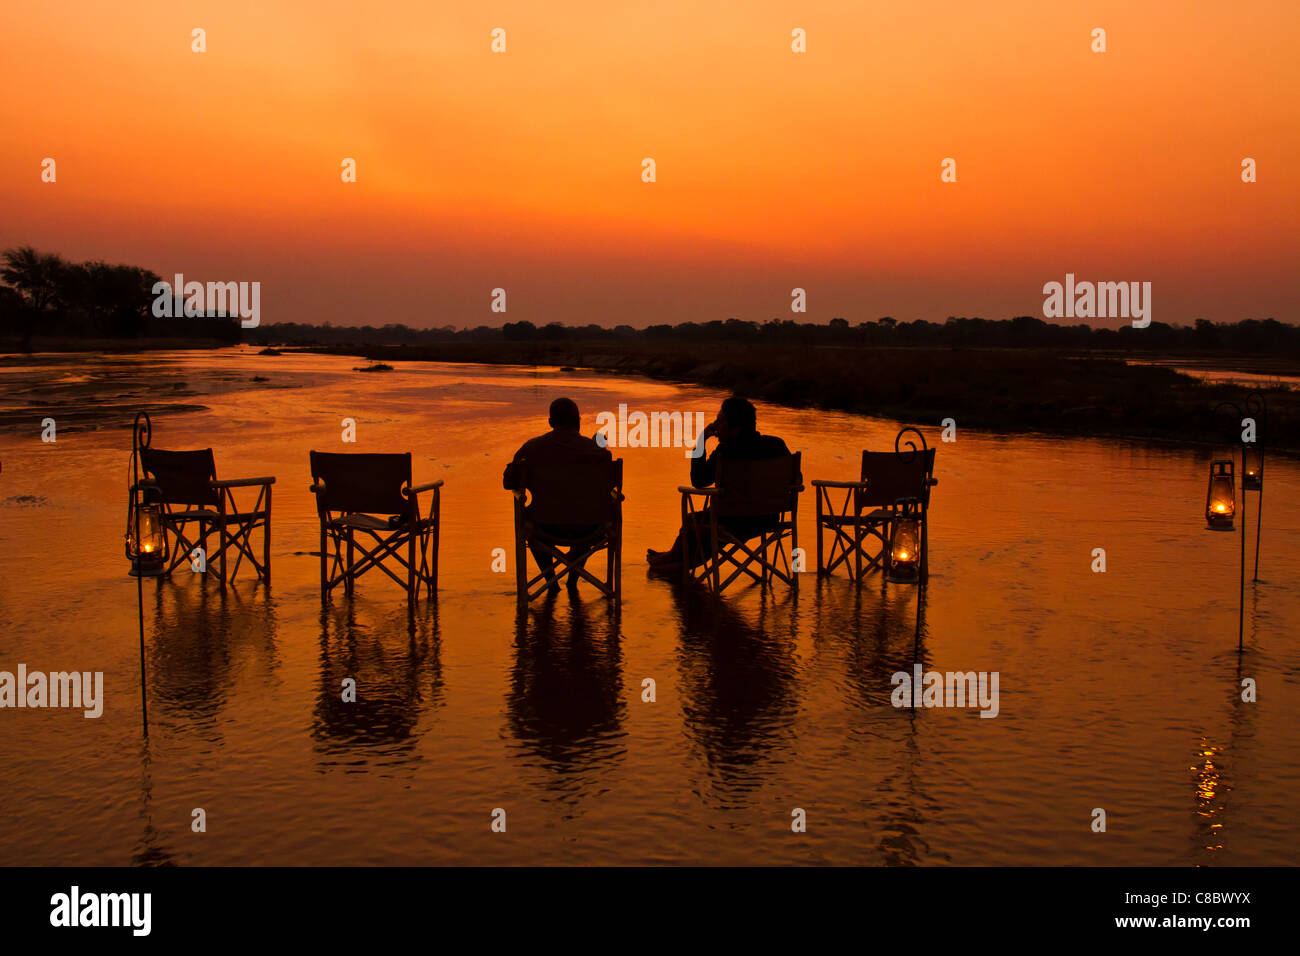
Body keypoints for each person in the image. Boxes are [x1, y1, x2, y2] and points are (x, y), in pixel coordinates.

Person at [646, 396, 793, 572]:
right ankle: (677, 563)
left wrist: (701, 441)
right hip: (768, 519)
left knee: (694, 521)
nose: (715, 426)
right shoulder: (777, 445)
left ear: (736, 429)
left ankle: (672, 562)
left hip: (732, 520)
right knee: (707, 527)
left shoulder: (726, 451)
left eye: (720, 422)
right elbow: (795, 479)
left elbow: (699, 481)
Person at [504, 397, 612, 593]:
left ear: (551, 423)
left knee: (529, 518)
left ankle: (551, 582)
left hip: (544, 527)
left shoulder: (531, 448)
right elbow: (610, 485)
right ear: (578, 421)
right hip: (590, 528)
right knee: (585, 513)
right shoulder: (596, 452)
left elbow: (508, 483)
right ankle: (573, 579)